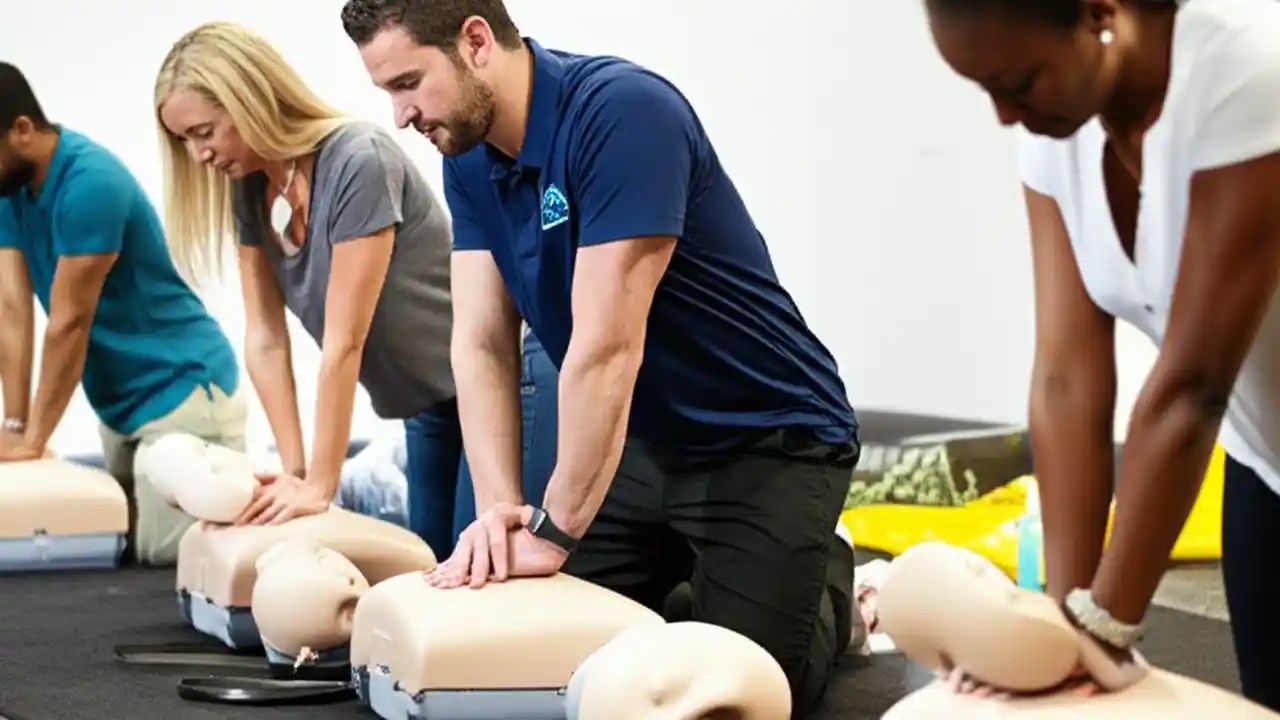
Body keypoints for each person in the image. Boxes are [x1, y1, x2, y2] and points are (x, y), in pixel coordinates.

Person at [340, 1, 862, 714]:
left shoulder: (624, 114)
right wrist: (500, 514)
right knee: (558, 655)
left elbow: (605, 349)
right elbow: (483, 342)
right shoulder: (467, 156)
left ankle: (826, 579)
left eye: (408, 83)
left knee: (747, 689)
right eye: (387, 94)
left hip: (767, 438)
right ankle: (703, 580)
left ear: (475, 41)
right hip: (642, 444)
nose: (401, 116)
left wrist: (556, 530)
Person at [924, 0, 1280, 707]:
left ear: (1099, 14)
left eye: (1019, 83)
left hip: (1215, 411)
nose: (1003, 114)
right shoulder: (1056, 131)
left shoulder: (1246, 79)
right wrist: (1058, 627)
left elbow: (1192, 386)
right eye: (986, 90)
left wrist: (1105, 623)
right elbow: (1066, 379)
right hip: (1264, 462)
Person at [153, 21, 478, 556]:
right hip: (430, 407)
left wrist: (320, 486)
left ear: (251, 99)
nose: (198, 156)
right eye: (184, 140)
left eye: (205, 132)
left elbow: (345, 339)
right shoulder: (251, 190)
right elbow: (264, 338)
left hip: (492, 389)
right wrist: (295, 471)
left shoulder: (358, 160)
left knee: (475, 569)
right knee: (433, 564)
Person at [0, 62, 246, 566]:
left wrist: (35, 442)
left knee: (166, 553)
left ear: (21, 130)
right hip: (118, 405)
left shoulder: (91, 183)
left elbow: (69, 323)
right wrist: (16, 424)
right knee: (117, 543)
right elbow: (10, 309)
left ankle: (284, 503)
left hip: (182, 389)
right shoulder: (9, 190)